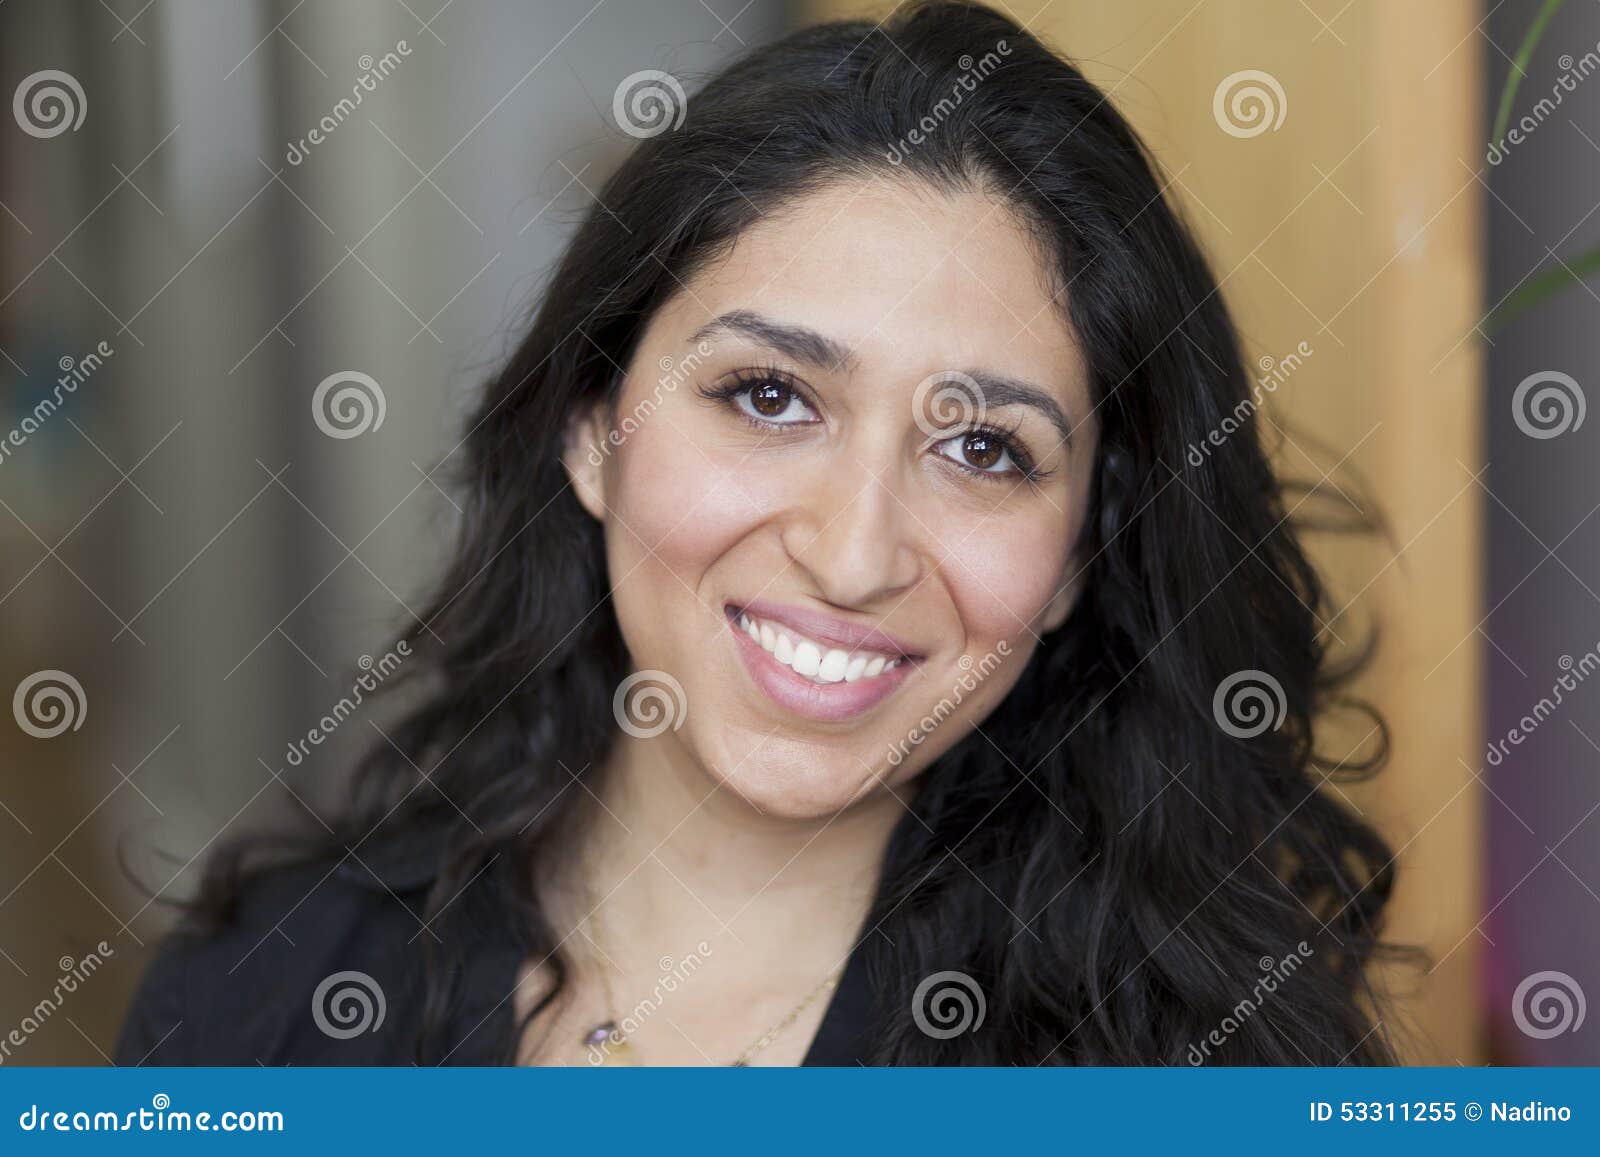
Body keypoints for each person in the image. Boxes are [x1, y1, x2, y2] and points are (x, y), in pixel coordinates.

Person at [116, 0, 1399, 1067]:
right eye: (770, 397)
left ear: (1075, 559)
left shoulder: (1208, 1065)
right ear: (592, 425)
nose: (852, 555)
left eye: (985, 449)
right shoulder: (259, 1001)